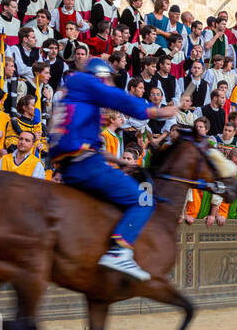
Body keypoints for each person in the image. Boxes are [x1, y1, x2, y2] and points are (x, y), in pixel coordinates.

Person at [48, 56, 178, 280]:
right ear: (99, 76)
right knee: (144, 200)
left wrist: (119, 162)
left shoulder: (72, 94)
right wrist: (157, 112)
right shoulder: (89, 85)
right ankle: (119, 251)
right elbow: (120, 99)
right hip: (86, 165)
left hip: (69, 166)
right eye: (108, 79)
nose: (109, 84)